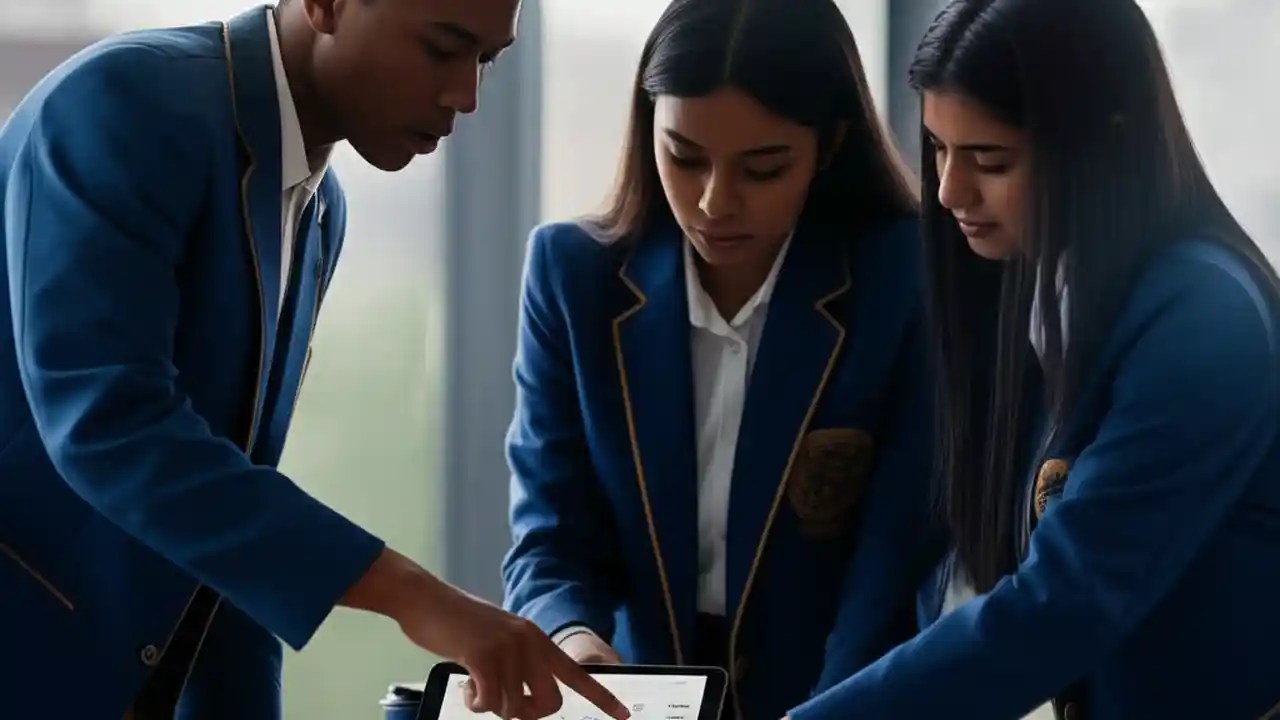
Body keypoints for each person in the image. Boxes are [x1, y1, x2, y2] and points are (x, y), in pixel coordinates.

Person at [0, 1, 631, 719]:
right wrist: (414, 595)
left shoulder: (320, 202)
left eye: (485, 60)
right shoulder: (127, 102)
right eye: (441, 47)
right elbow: (108, 426)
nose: (466, 96)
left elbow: (227, 506)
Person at [784, 1, 1280, 719]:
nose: (950, 191)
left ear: (1103, 144)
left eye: (990, 160)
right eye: (938, 149)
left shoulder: (1206, 316)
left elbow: (1062, 602)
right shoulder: (1032, 273)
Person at [500, 1, 940, 719]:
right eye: (684, 157)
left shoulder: (908, 279)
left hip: (847, 689)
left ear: (827, 147)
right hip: (640, 698)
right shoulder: (572, 275)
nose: (713, 203)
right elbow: (550, 532)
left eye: (762, 169)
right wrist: (574, 640)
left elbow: (896, 557)